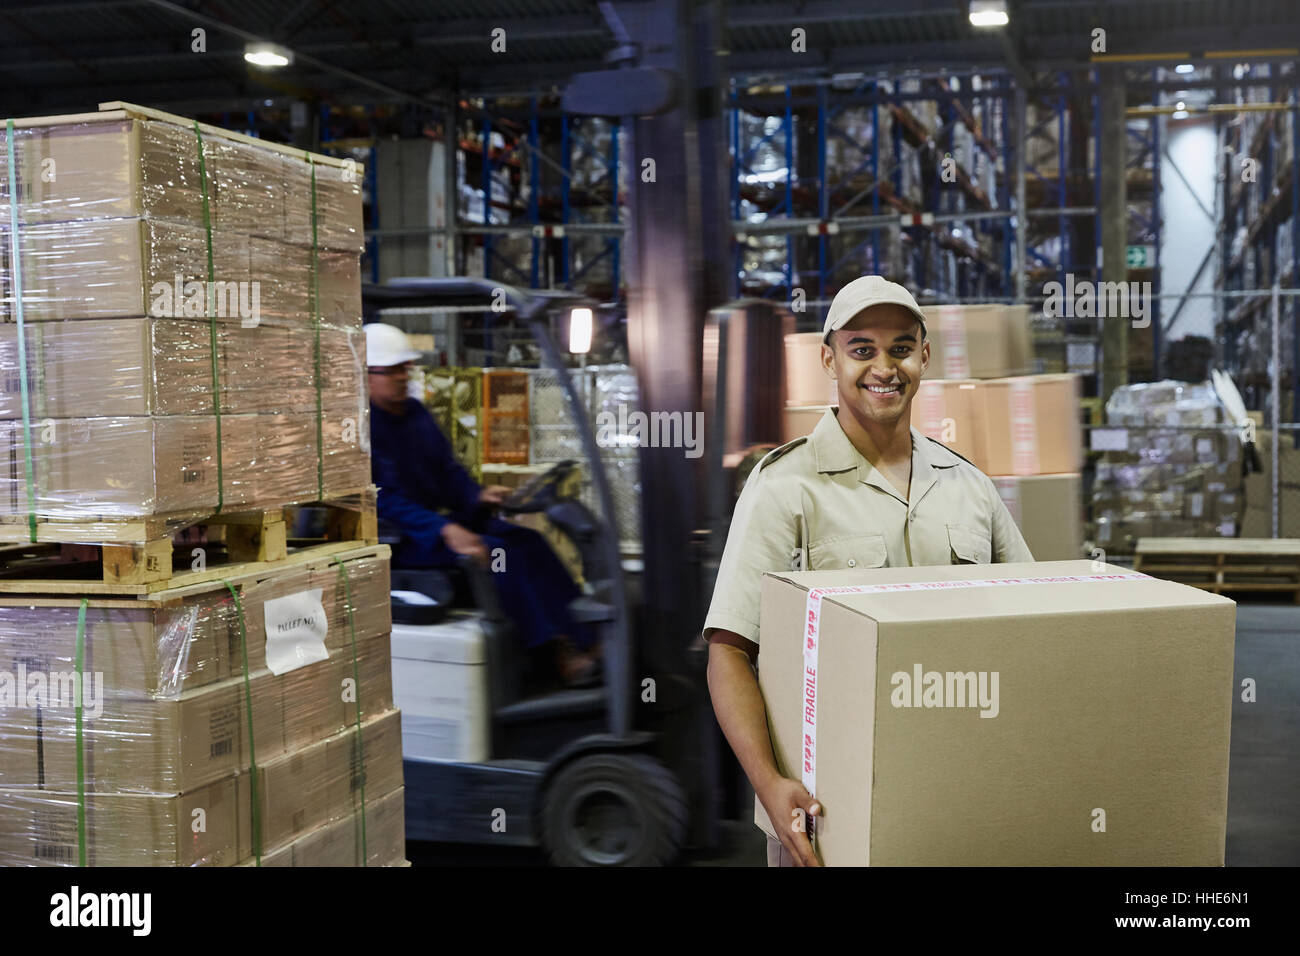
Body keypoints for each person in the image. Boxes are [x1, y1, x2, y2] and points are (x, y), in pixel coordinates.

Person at [702, 276, 1034, 867]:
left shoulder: (970, 487)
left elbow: (1033, 618)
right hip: (830, 812)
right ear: (828, 358)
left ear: (924, 357)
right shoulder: (784, 488)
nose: (885, 367)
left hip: (959, 797)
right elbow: (729, 651)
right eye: (862, 350)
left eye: (901, 348)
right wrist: (768, 786)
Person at [365, 323, 599, 686]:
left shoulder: (414, 414)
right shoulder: (361, 428)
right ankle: (550, 654)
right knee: (499, 556)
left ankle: (588, 636)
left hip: (440, 524)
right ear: (364, 375)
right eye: (391, 370)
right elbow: (383, 500)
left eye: (404, 368)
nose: (401, 377)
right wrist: (443, 529)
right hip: (405, 540)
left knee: (528, 542)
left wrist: (477, 495)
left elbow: (446, 470)